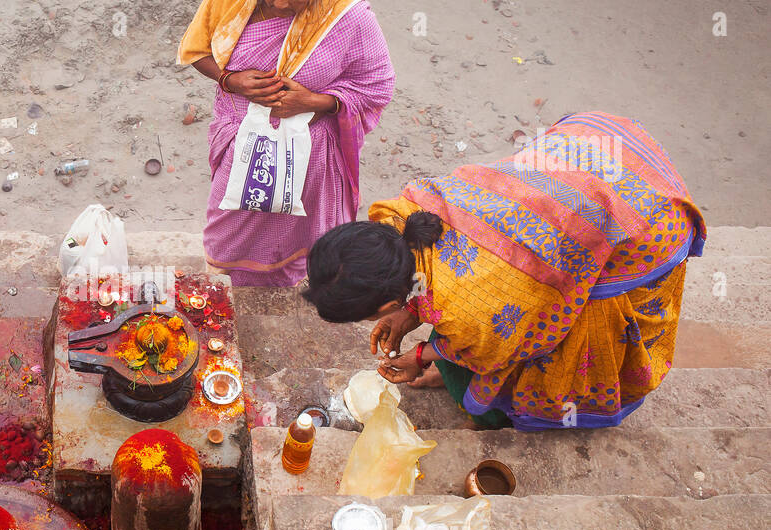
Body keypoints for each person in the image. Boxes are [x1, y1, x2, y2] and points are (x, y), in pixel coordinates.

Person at [301, 112, 706, 431]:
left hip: (647, 225)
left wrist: (431, 355)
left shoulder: (474, 309)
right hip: (601, 143)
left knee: (555, 348)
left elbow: (501, 345)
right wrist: (409, 311)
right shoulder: (405, 212)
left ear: (388, 301)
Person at [177, 0, 395, 287]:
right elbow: (195, 49)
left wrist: (313, 101)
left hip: (309, 154)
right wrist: (230, 80)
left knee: (294, 236)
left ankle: (283, 285)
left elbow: (377, 85)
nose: (279, 2)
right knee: (230, 232)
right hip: (242, 142)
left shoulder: (348, 16)